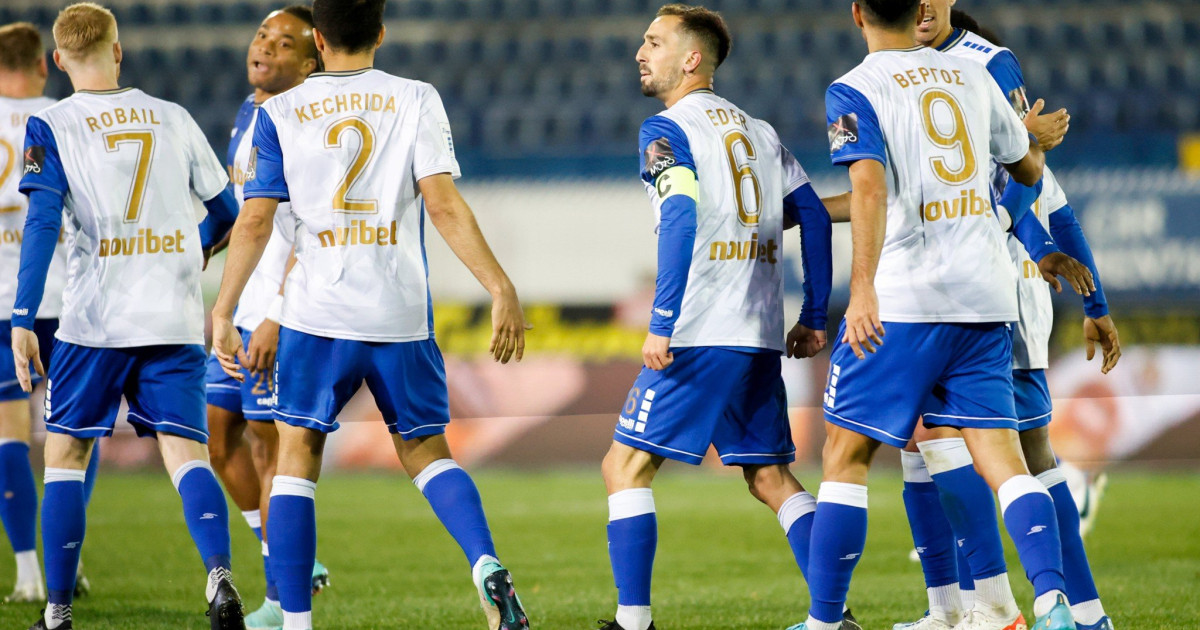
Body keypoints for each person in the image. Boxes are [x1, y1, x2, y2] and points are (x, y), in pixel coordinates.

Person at [210, 0, 530, 628]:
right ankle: (485, 562)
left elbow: (254, 219)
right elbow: (443, 205)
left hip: (316, 315)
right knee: (427, 452)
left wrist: (225, 309)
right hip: (398, 313)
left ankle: (296, 621)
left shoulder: (279, 112)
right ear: (380, 32)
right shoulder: (415, 96)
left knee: (295, 458)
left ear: (318, 38)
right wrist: (500, 286)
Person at [791, 1, 1096, 629]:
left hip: (906, 300)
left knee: (845, 455)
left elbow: (871, 186)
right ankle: (1050, 604)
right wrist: (1021, 143)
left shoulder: (854, 88)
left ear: (857, 14)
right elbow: (1029, 168)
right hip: (985, 298)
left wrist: (862, 287)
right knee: (1003, 460)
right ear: (918, 9)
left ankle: (824, 623)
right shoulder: (972, 75)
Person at [597, 5, 834, 630]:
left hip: (700, 330)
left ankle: (632, 622)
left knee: (624, 466)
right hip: (756, 332)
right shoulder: (760, 132)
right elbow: (813, 216)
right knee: (770, 477)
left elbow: (678, 217)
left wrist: (662, 321)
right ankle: (832, 616)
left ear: (691, 59)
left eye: (655, 42)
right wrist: (812, 314)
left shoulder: (666, 130)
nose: (640, 52)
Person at [9, 3, 243, 629]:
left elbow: (42, 221)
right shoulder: (173, 116)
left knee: (66, 457)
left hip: (94, 322)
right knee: (187, 455)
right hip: (171, 318)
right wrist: (195, 248)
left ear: (59, 61)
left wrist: (24, 316)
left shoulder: (51, 124)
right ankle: (219, 575)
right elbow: (227, 210)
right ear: (118, 50)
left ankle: (57, 611)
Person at [887, 6, 1119, 630]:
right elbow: (1056, 200)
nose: (922, 10)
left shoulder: (988, 64)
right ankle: (963, 609)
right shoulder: (901, 71)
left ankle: (1010, 610)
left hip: (995, 291)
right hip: (946, 288)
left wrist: (1081, 290)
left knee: (1002, 449)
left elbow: (1035, 180)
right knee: (928, 442)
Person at [201, 7, 327, 629]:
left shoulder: (308, 123)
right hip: (239, 308)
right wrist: (205, 243)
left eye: (284, 43)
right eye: (262, 36)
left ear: (309, 63)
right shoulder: (250, 113)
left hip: (275, 311)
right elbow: (243, 209)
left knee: (269, 449)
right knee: (218, 438)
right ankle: (287, 557)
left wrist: (278, 312)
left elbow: (315, 229)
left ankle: (281, 598)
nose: (267, 48)